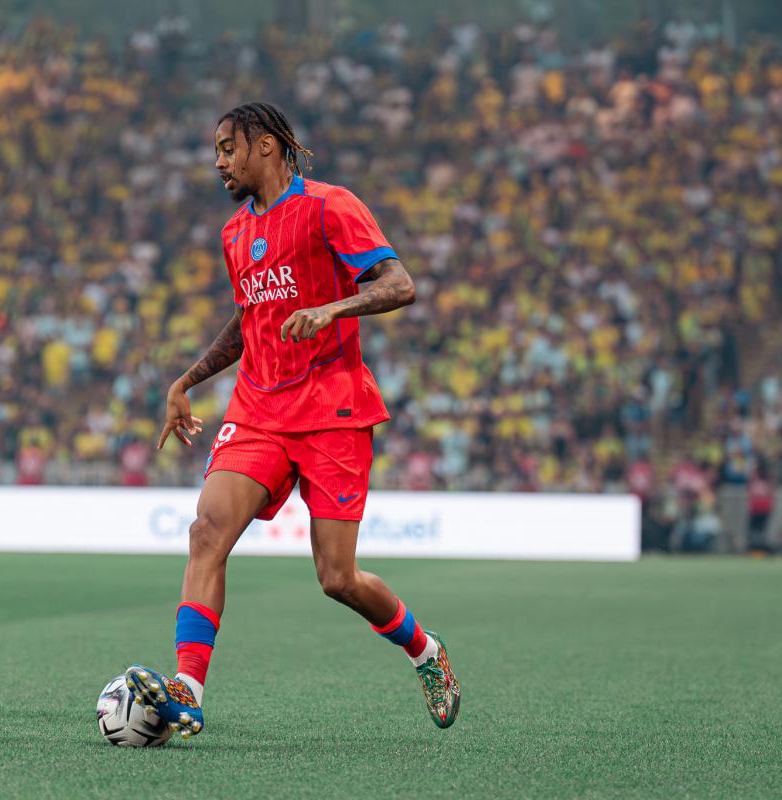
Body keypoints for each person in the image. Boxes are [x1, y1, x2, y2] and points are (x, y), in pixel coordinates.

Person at [124, 102, 459, 740]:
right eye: (216, 151)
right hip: (259, 407)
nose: (219, 161)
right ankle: (187, 688)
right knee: (206, 533)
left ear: (268, 145)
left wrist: (335, 309)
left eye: (229, 148)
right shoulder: (233, 233)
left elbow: (400, 283)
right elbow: (248, 321)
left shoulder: (331, 206)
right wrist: (187, 379)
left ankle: (424, 650)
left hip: (332, 408)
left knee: (337, 578)